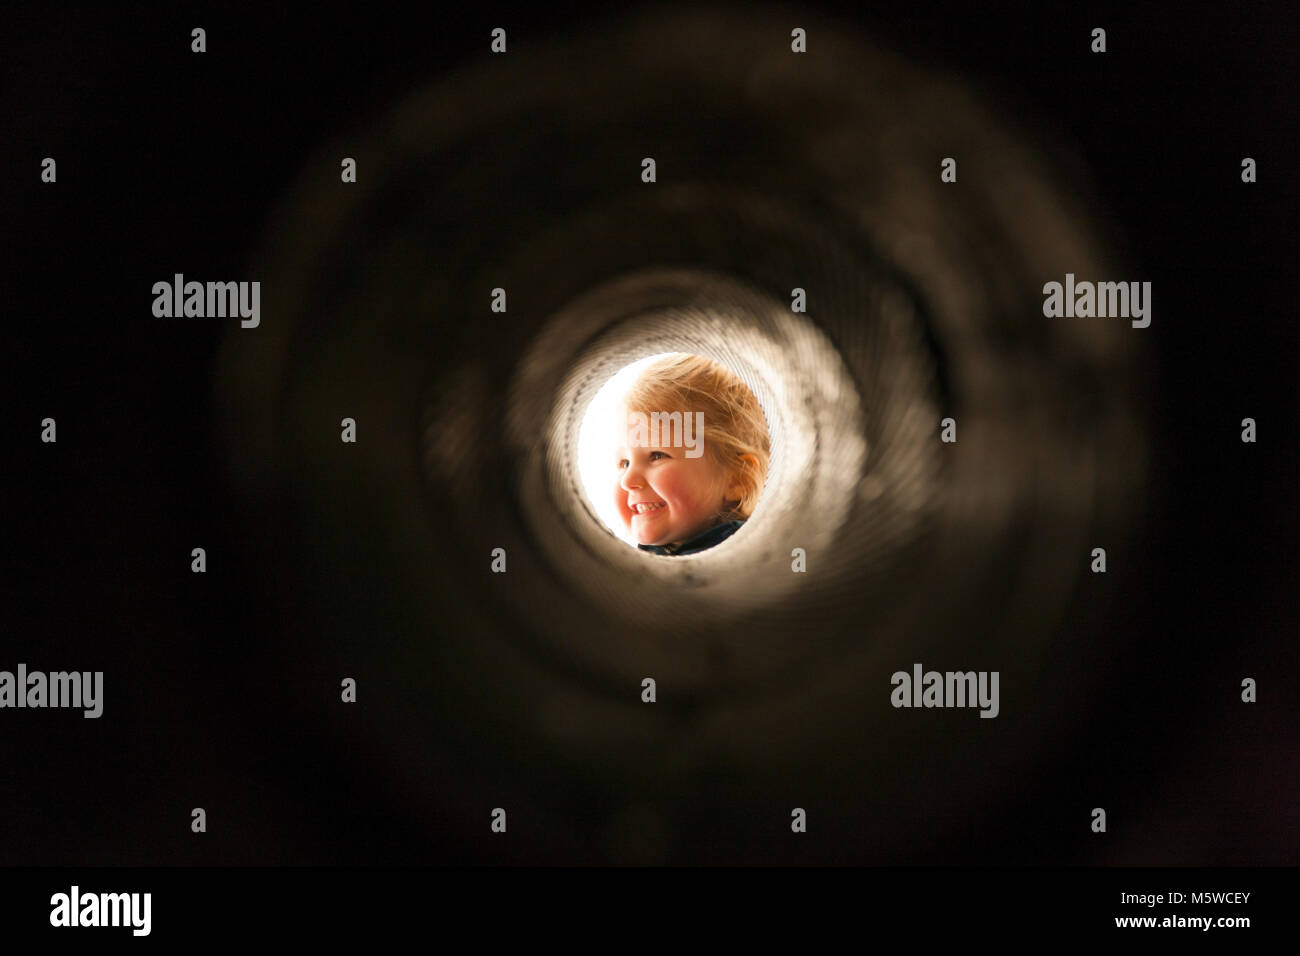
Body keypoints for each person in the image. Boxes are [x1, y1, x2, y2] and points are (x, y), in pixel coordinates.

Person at [611, 353, 769, 556]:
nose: (628, 480)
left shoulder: (747, 555)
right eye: (624, 462)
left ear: (737, 480)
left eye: (657, 455)